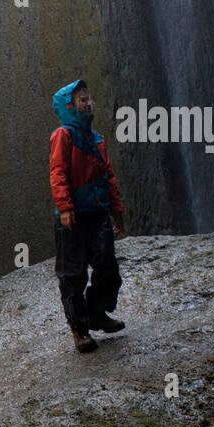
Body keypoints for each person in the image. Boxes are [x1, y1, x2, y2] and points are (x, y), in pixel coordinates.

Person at [49, 79, 126, 353]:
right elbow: (57, 172)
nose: (88, 103)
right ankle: (80, 329)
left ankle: (96, 312)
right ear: (69, 105)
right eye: (82, 99)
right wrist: (65, 207)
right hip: (73, 217)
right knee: (72, 274)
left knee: (108, 268)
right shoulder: (63, 136)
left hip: (97, 213)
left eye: (89, 98)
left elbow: (108, 176)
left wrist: (116, 209)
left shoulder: (96, 139)